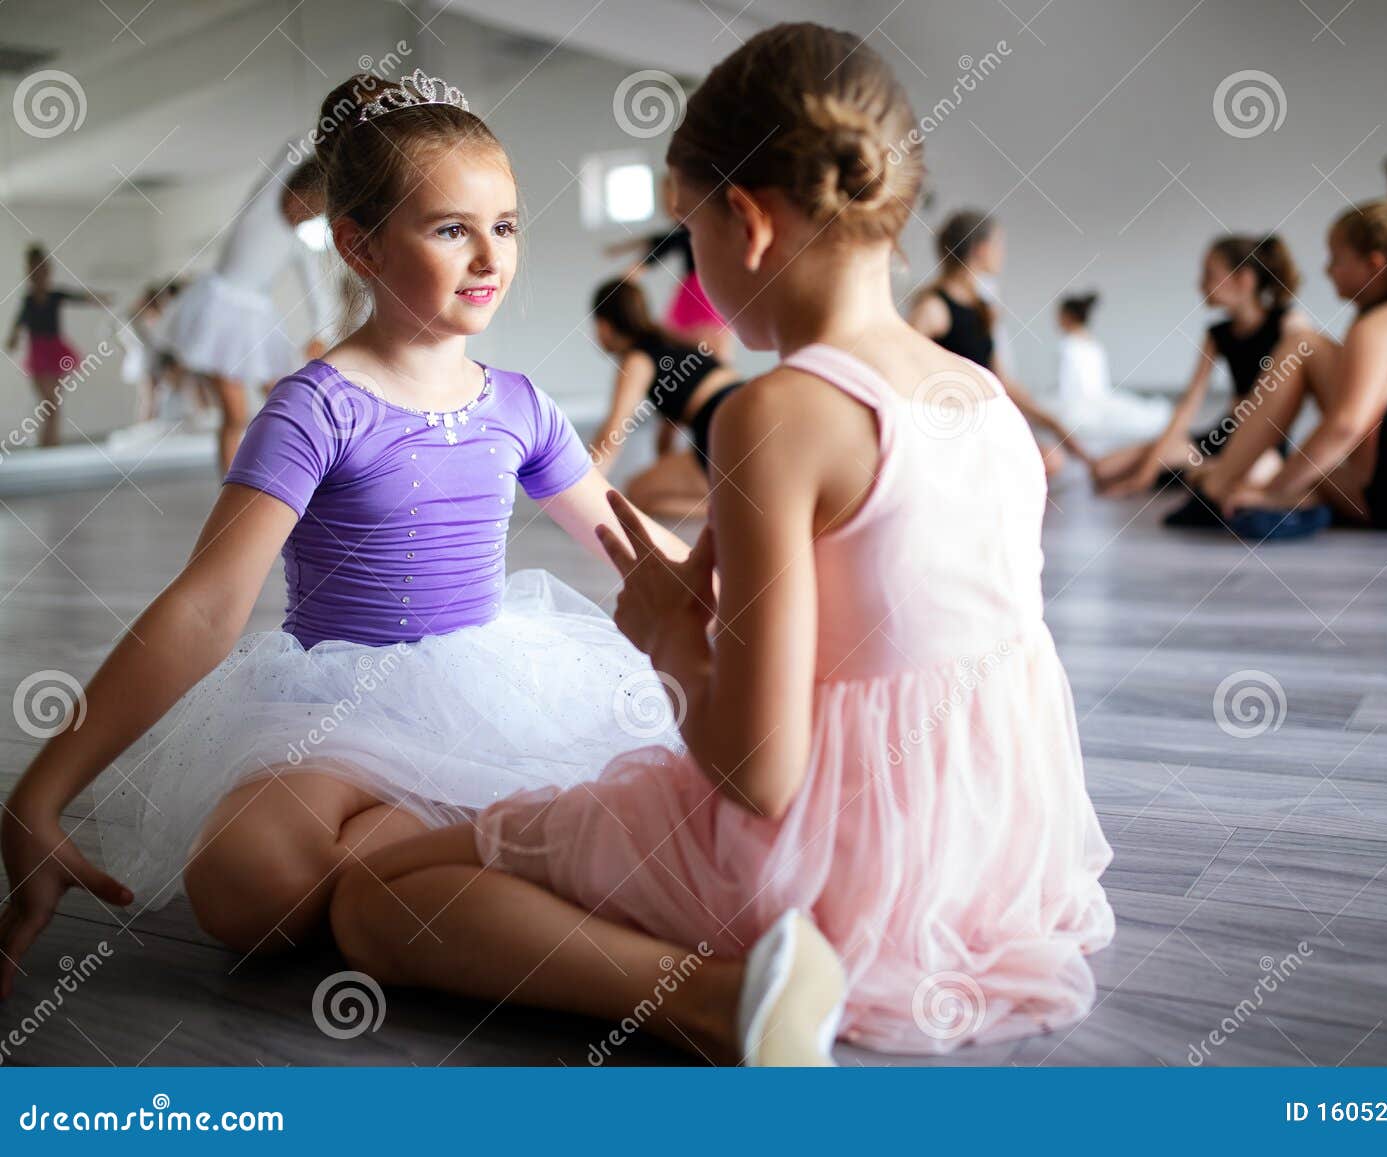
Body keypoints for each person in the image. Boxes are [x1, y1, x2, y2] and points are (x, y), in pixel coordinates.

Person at [329, 23, 1114, 1066]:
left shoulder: (773, 413)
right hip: (979, 857)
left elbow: (759, 771)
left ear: (743, 220)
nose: (688, 264)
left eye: (687, 227)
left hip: (808, 857)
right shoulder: (982, 399)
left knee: (375, 896)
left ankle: (714, 999)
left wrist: (662, 630)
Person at [0, 68, 694, 990]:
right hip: (328, 705)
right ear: (360, 245)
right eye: (452, 229)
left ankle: (408, 871)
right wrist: (39, 795)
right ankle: (421, 873)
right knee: (244, 892)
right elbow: (208, 607)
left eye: (506, 226)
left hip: (487, 695)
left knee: (356, 884)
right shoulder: (315, 408)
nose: (490, 257)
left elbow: (635, 538)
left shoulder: (517, 405)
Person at [1189, 196, 1387, 535]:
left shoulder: (1385, 319)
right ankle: (1253, 486)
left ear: (1375, 264)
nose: (1327, 270)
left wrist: (1272, 492)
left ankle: (1220, 487)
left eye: (1336, 259)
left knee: (1305, 345)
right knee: (1314, 472)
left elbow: (1347, 425)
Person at [159, 143, 339, 472]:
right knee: (235, 413)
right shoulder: (263, 205)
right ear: (289, 187)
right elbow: (290, 150)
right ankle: (227, 488)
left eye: (311, 211)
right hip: (218, 308)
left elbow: (319, 296)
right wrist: (334, 137)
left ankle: (283, 475)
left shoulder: (297, 245)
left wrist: (321, 335)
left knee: (283, 401)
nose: (300, 211)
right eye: (300, 200)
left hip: (256, 320)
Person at [1093, 235, 1315, 497]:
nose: (1201, 284)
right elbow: (1189, 404)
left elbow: (1302, 390)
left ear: (1244, 279)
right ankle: (1203, 471)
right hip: (1221, 436)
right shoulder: (1217, 334)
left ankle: (1208, 472)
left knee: (1242, 477)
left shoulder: (1289, 323)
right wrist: (1145, 473)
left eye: (1209, 274)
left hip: (1263, 443)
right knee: (1104, 469)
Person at [909, 210, 1091, 476]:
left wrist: (1053, 424)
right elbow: (902, 367)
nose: (1002, 252)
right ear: (982, 250)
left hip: (979, 420)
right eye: (999, 244)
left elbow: (1001, 381)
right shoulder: (934, 307)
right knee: (1047, 460)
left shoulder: (984, 309)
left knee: (1051, 457)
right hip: (948, 427)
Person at [588, 277, 744, 518]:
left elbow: (612, 435)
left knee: (637, 493)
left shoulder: (637, 359)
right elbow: (669, 430)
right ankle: (742, 498)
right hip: (749, 419)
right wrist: (666, 470)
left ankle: (734, 511)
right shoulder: (672, 343)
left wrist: (582, 489)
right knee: (650, 487)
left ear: (604, 326)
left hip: (729, 438)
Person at [604, 176, 734, 363]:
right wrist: (624, 247)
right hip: (695, 286)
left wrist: (629, 274)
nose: (666, 204)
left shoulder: (692, 228)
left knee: (713, 344)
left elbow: (660, 248)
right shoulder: (683, 230)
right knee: (694, 342)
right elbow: (657, 240)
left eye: (669, 198)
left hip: (702, 288)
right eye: (664, 199)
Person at [5, 244, 111, 447]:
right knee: (48, 405)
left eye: (43, 269)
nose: (40, 275)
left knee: (52, 406)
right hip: (37, 354)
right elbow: (18, 325)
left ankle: (50, 445)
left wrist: (100, 298)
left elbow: (80, 297)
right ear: (30, 273)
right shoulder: (27, 301)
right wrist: (12, 338)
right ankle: (46, 445)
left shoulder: (55, 296)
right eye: (35, 270)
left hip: (55, 352)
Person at [1052, 291, 1170, 449]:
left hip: (1079, 403)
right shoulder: (1094, 345)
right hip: (1100, 396)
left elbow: (1068, 388)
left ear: (1067, 316)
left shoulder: (1067, 346)